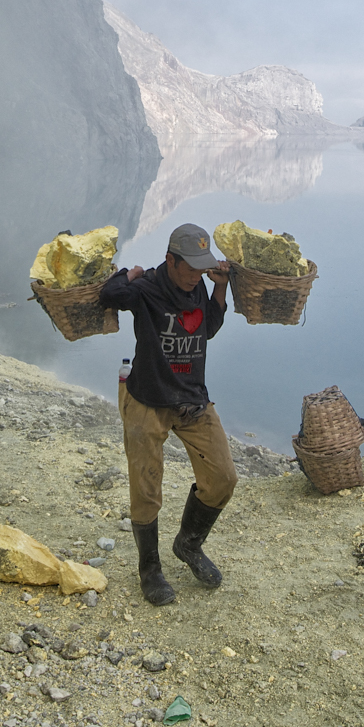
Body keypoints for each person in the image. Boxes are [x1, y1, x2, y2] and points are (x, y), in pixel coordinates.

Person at [98, 223, 237, 606]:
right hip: (147, 400)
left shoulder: (197, 285)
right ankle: (150, 571)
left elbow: (207, 327)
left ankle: (188, 545)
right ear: (170, 260)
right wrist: (133, 273)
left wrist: (221, 285)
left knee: (223, 478)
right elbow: (108, 294)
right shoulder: (148, 289)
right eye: (190, 267)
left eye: (201, 268)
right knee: (146, 489)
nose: (196, 275)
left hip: (192, 400)